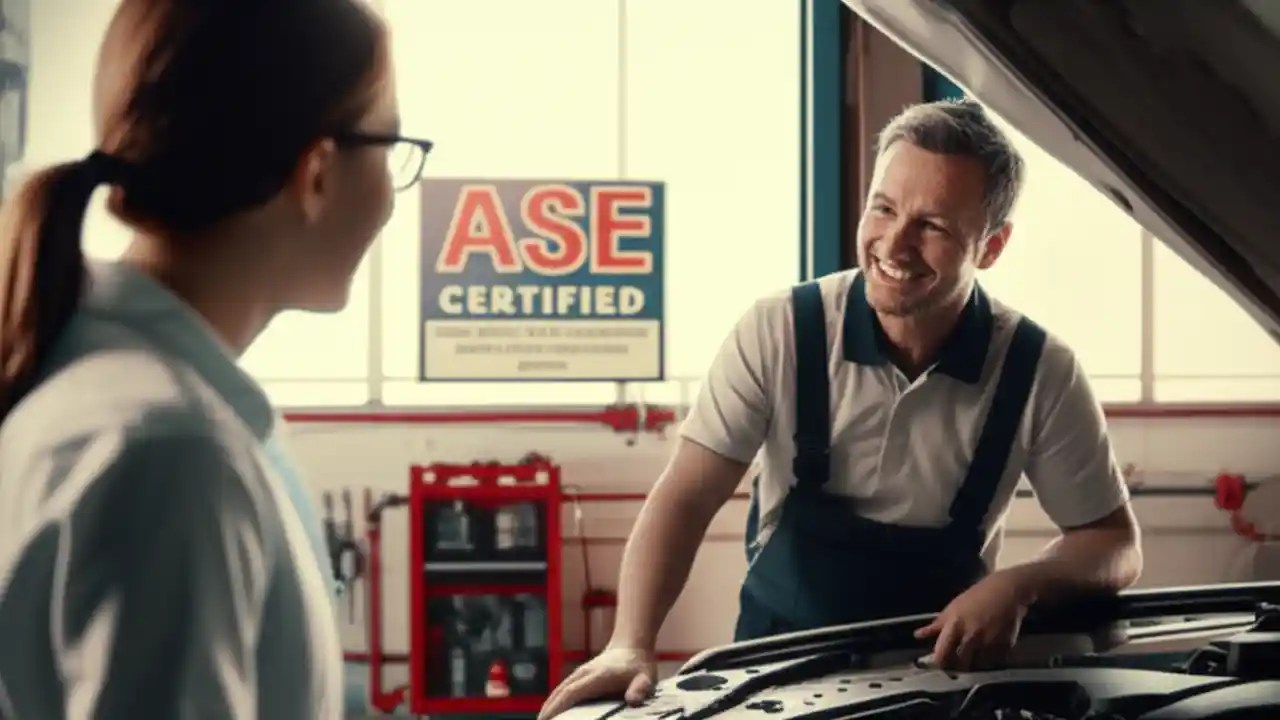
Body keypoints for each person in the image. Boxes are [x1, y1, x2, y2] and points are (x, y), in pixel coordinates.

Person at [538, 99, 1144, 718]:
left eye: (932, 225)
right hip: (774, 688)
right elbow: (685, 497)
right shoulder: (781, 331)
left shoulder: (1039, 369)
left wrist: (1018, 586)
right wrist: (629, 643)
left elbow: (1112, 541)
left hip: (940, 691)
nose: (894, 243)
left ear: (991, 246)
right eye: (883, 208)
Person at [0, 1, 431, 718]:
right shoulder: (173, 453)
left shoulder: (98, 387)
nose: (391, 194)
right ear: (316, 172)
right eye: (392, 146)